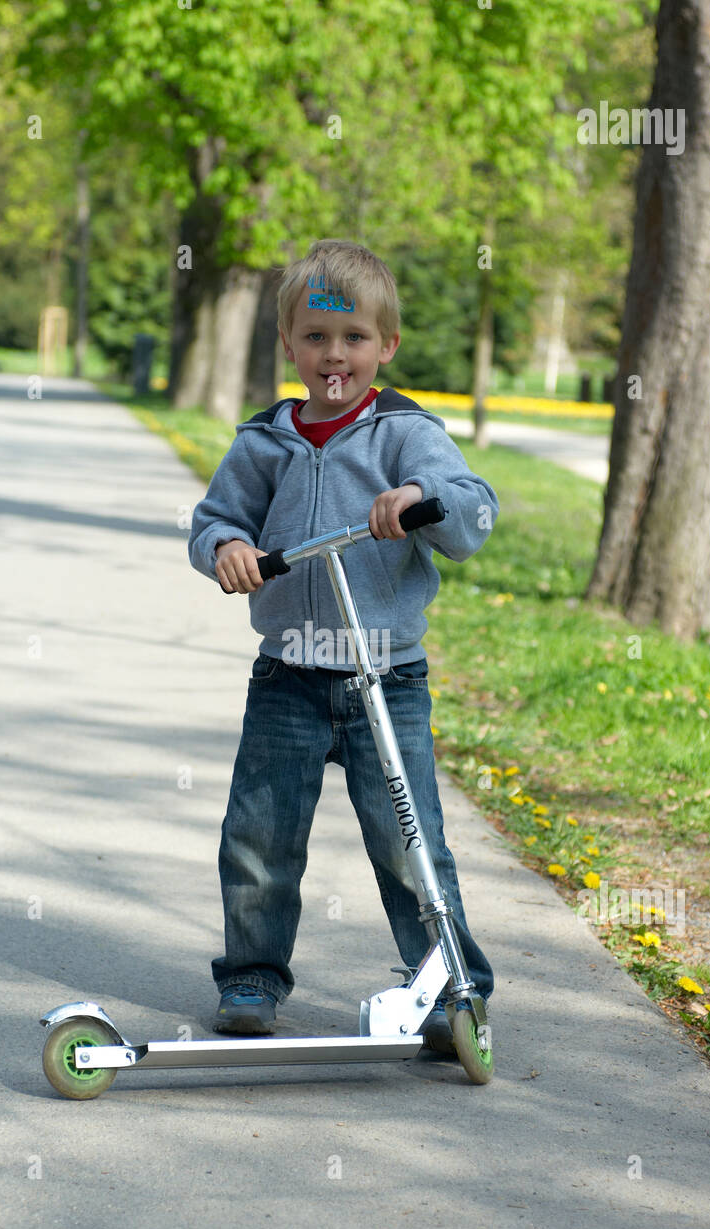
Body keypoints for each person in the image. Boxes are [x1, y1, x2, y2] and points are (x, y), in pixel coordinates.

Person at [188, 239, 499, 1055]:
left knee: (409, 844)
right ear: (288, 344)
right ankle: (252, 975)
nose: (336, 356)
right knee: (259, 836)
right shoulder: (263, 442)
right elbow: (216, 520)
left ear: (386, 346)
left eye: (355, 338)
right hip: (288, 674)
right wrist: (224, 547)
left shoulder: (404, 433)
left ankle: (451, 986)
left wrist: (422, 497)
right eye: (317, 338)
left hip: (384, 679)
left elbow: (471, 509)